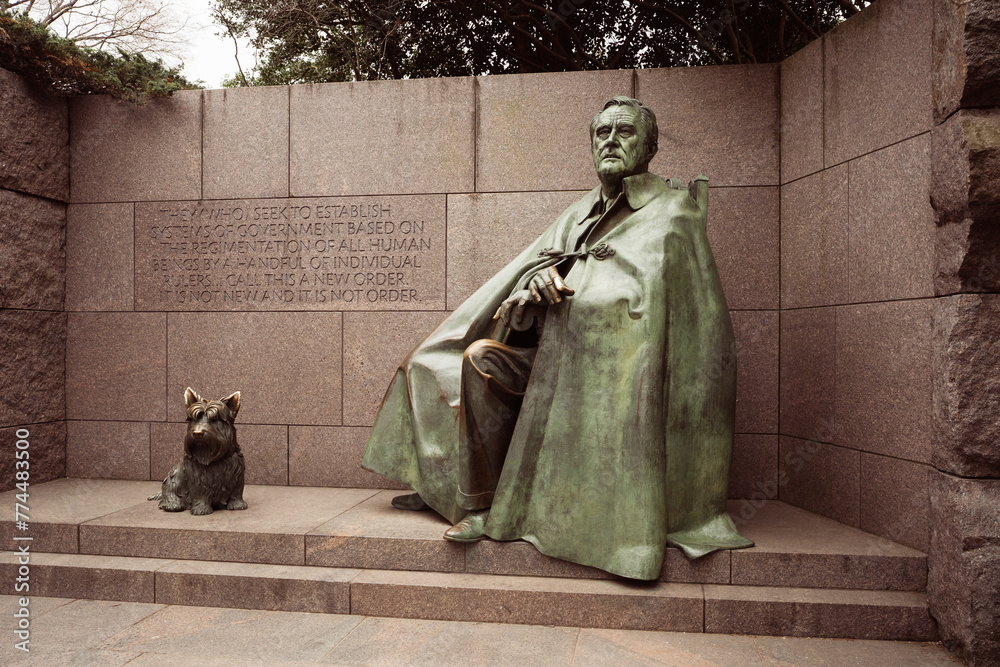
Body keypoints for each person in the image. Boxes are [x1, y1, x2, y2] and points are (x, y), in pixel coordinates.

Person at [362, 96, 752, 580]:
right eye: (601, 132)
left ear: (648, 146)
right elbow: (535, 275)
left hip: (613, 376)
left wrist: (576, 301)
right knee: (470, 358)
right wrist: (532, 291)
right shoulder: (580, 211)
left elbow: (670, 317)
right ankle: (475, 503)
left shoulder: (674, 213)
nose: (610, 140)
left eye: (624, 132)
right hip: (549, 360)